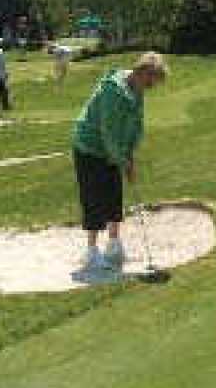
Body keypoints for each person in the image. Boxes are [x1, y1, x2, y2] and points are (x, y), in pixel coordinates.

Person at [71, 52, 168, 271]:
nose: (153, 86)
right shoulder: (113, 91)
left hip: (112, 150)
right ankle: (91, 252)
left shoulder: (137, 89)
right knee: (94, 198)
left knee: (114, 195)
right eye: (152, 81)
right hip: (90, 147)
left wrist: (130, 155)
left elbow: (135, 126)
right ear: (142, 73)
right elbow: (109, 134)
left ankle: (114, 245)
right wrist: (124, 162)